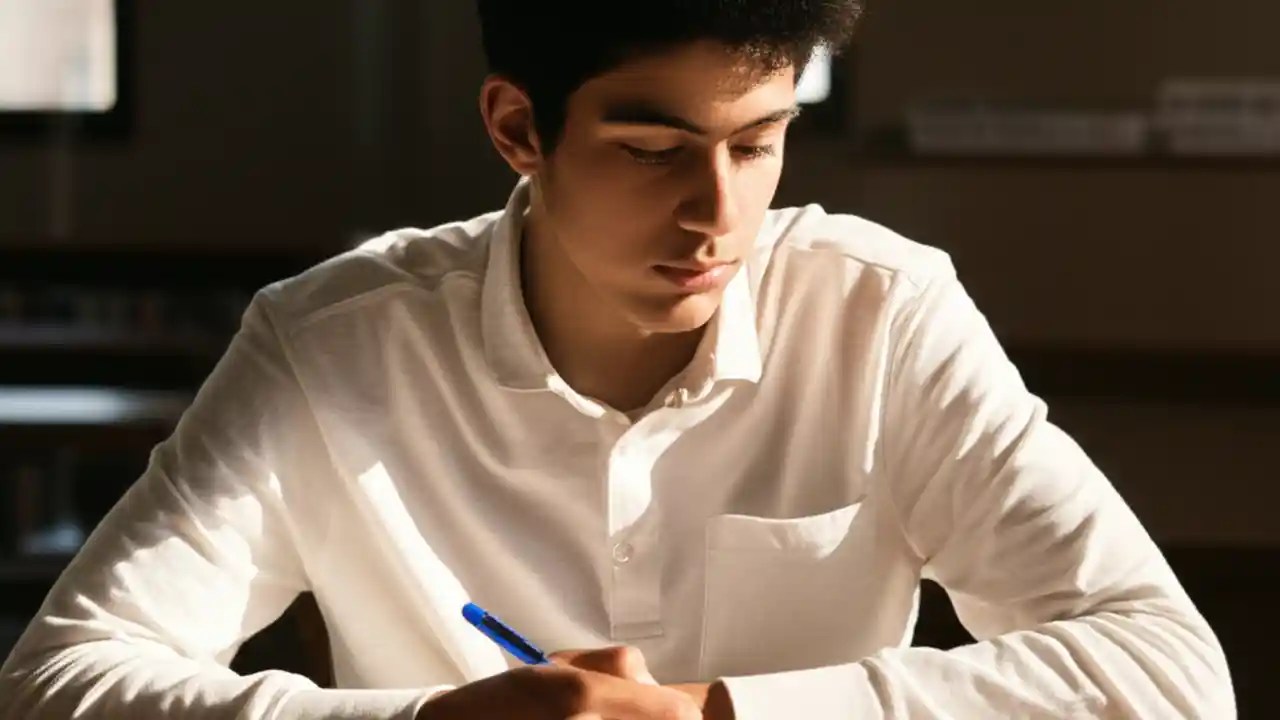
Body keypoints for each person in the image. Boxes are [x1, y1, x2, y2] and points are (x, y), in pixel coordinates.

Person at [0, 1, 1235, 718]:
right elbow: (56, 680)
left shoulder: (879, 312)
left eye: (757, 143)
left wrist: (713, 713)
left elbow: (1167, 673)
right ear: (516, 128)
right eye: (654, 152)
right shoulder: (333, 344)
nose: (716, 215)